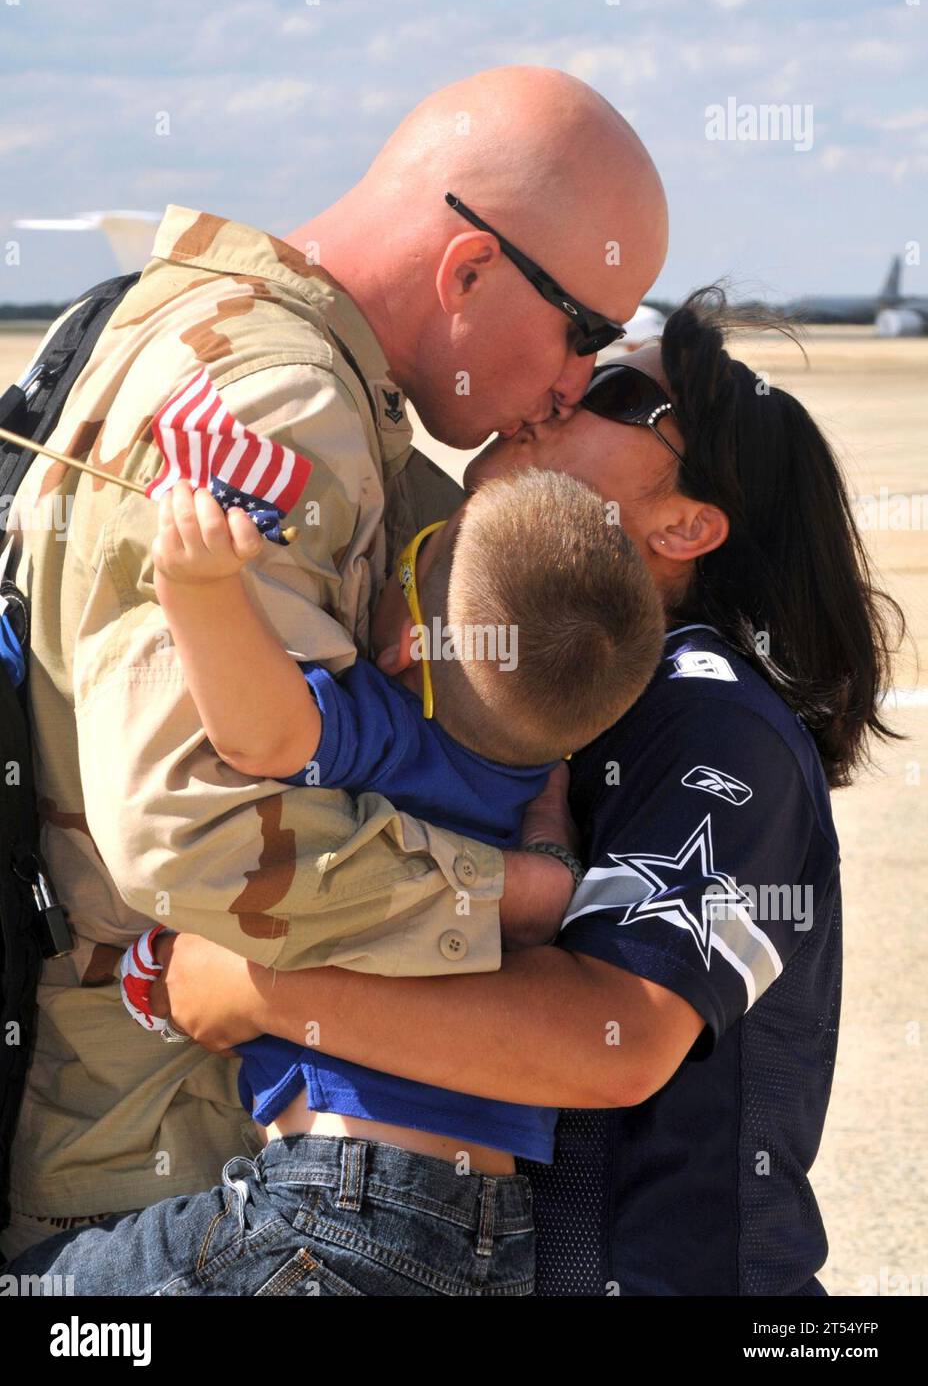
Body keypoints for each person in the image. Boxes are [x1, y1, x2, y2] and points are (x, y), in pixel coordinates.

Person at [0, 65, 668, 1261]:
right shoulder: (287, 403)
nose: (573, 382)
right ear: (468, 270)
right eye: (585, 334)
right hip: (177, 1157)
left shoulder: (170, 322)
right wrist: (508, 898)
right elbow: (196, 828)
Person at [129, 290, 902, 1296]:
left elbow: (614, 1037)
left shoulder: (713, 721)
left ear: (686, 524)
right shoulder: (535, 691)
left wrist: (259, 985)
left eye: (614, 389)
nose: (554, 395)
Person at [8, 468, 665, 1295]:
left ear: (406, 647)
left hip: (338, 1203)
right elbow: (544, 882)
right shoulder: (539, 783)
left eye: (409, 555)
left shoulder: (393, 735)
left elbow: (263, 733)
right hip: (490, 1230)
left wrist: (196, 584)